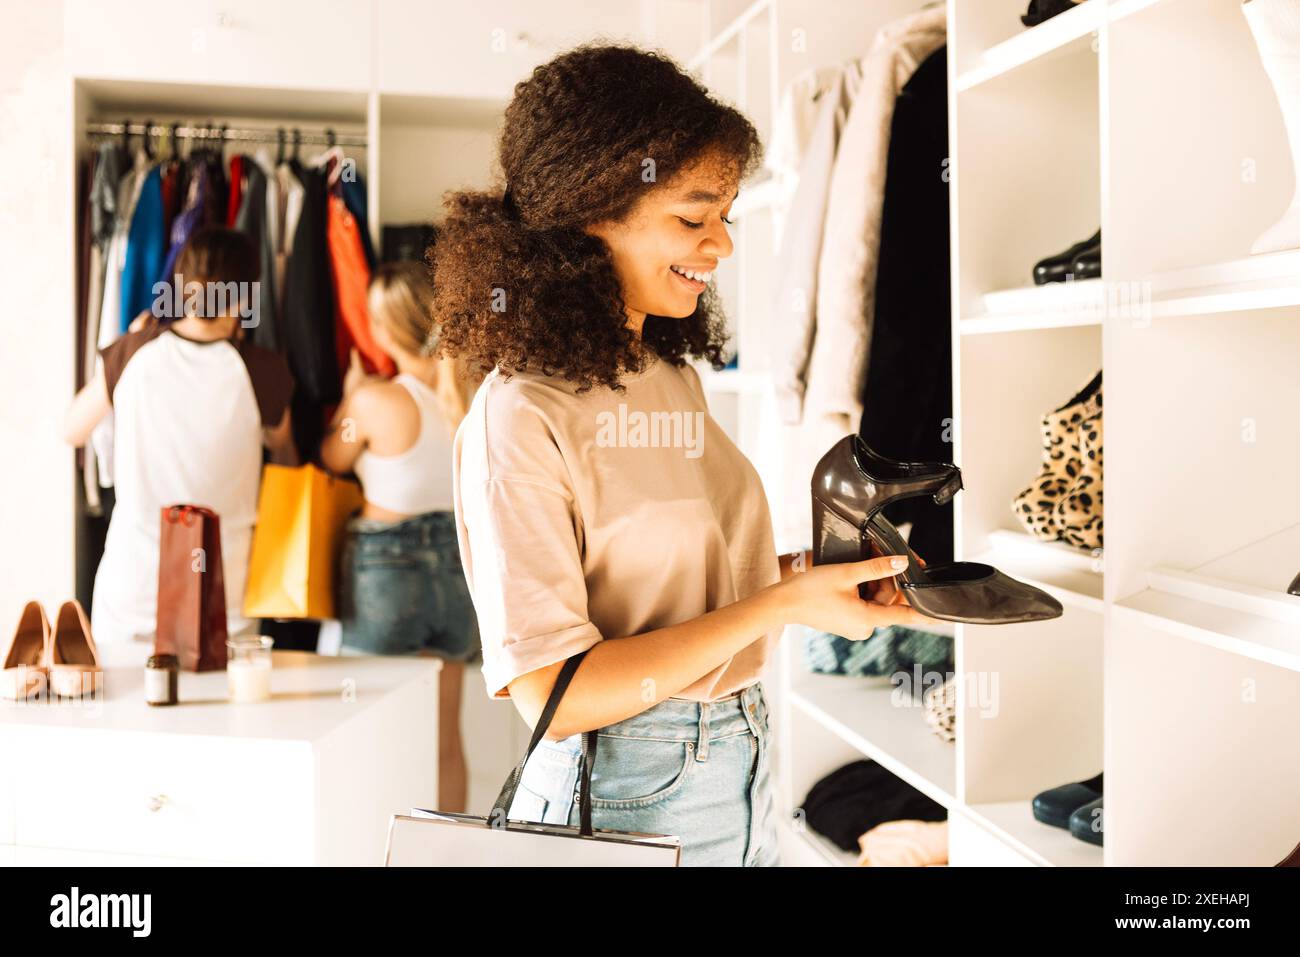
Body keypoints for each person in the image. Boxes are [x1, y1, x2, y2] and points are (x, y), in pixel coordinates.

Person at [441, 44, 932, 867]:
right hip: (624, 791)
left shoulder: (667, 375)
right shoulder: (518, 416)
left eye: (726, 217)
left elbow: (674, 594)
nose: (723, 247)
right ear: (589, 210)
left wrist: (807, 579)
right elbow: (554, 695)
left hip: (739, 760)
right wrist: (780, 607)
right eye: (692, 218)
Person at [62, 226, 297, 644]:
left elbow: (72, 430)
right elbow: (286, 460)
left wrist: (131, 341)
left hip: (134, 588)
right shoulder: (263, 371)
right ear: (245, 298)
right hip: (225, 591)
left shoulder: (133, 352)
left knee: (131, 707)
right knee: (225, 708)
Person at [320, 262, 482, 813]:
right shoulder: (473, 394)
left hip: (387, 575)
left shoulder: (373, 402)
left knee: (367, 733)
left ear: (384, 332)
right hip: (458, 576)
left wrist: (350, 397)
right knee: (445, 742)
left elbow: (330, 458)